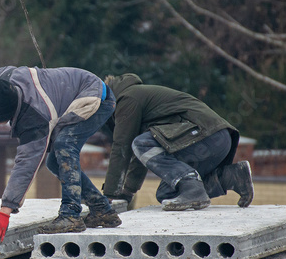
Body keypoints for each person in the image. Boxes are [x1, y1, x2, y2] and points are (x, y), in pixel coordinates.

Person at [0, 66, 121, 243]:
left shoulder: (35, 120)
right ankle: (102, 210)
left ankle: (71, 215)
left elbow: (26, 165)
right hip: (77, 85)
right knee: (54, 162)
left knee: (64, 145)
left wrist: (5, 211)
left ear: (9, 114)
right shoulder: (8, 78)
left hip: (95, 97)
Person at [101, 73, 253, 211]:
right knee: (167, 194)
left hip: (208, 136)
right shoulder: (138, 99)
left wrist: (108, 194)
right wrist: (127, 192)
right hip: (215, 139)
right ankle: (232, 177)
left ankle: (193, 189)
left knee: (142, 143)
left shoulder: (128, 98)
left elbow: (122, 147)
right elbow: (141, 156)